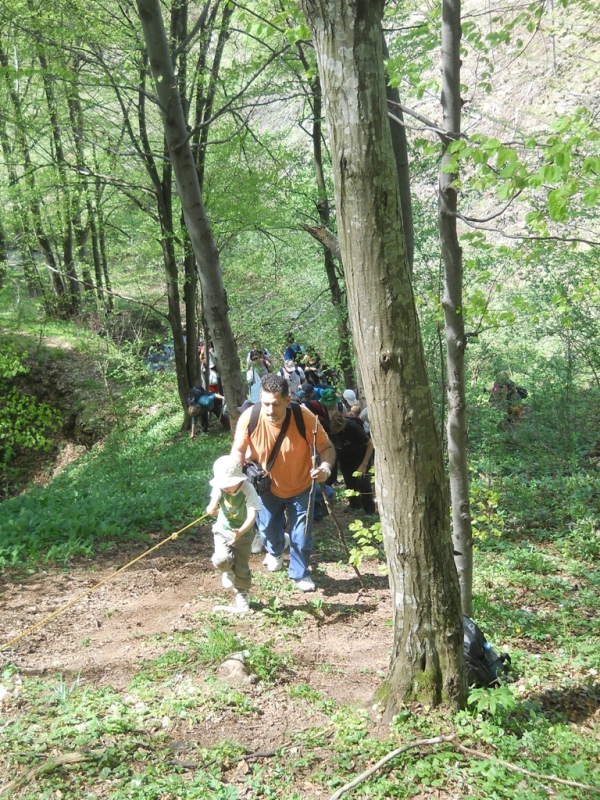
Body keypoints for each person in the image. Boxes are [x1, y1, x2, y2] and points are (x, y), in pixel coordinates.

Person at [231, 374, 336, 592]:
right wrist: (233, 478)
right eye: (266, 403)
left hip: (302, 486)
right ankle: (276, 550)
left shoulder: (304, 417)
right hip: (266, 488)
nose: (270, 410)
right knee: (268, 530)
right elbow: (238, 452)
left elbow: (327, 448)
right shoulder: (250, 417)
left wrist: (325, 469)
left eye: (276, 404)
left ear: (287, 401)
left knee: (302, 535)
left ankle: (300, 573)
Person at [206, 455, 262, 613]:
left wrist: (240, 532)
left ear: (238, 480)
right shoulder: (221, 488)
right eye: (223, 485)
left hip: (243, 535)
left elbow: (252, 516)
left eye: (228, 485)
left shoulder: (248, 489)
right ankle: (227, 571)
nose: (225, 488)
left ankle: (242, 595)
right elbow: (214, 499)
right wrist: (211, 507)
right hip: (222, 530)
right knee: (220, 558)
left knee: (241, 567)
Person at [328, 411, 376, 515]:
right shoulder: (329, 429)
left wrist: (363, 465)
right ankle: (354, 504)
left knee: (363, 481)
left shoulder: (351, 426)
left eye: (335, 430)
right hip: (344, 456)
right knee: (349, 480)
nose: (333, 432)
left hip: (360, 455)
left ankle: (369, 509)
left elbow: (370, 444)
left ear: (341, 426)